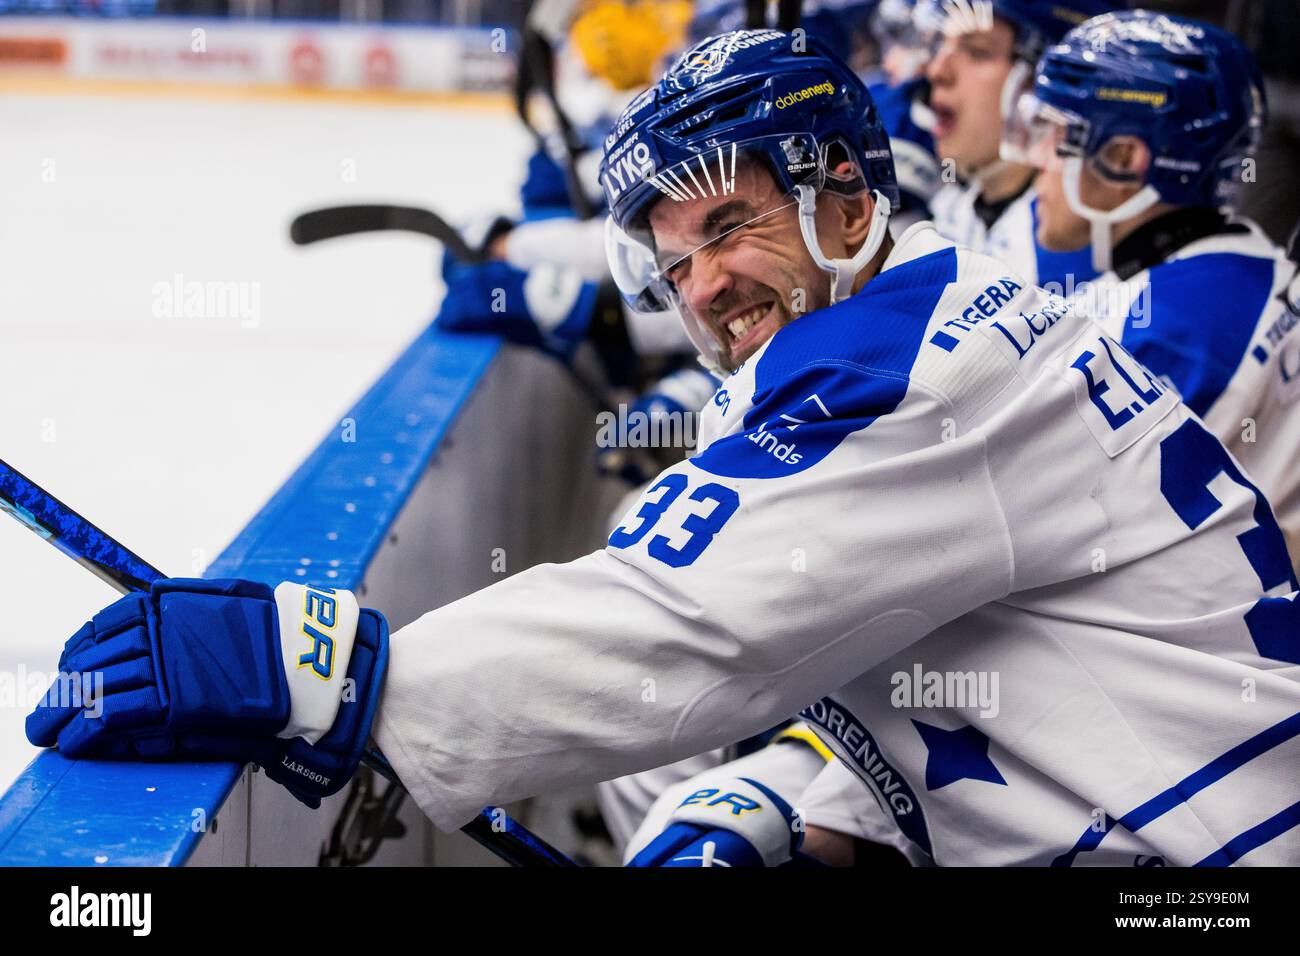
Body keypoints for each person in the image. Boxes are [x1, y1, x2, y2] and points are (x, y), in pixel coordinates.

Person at [27, 29, 1300, 867]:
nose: (704, 286)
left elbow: (686, 617)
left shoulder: (916, 365)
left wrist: (328, 672)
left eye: (732, 225)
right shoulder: (916, 316)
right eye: (673, 256)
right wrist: (806, 813)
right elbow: (995, 673)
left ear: (849, 197)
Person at [1020, 8, 1300, 572]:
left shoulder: (1165, 329)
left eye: (1055, 136)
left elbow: (1046, 533)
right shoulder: (1241, 262)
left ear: (1124, 158)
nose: (1034, 160)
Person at [925, 0, 1115, 290]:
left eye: (978, 52)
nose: (937, 70)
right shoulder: (948, 212)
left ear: (1043, 84)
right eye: (940, 45)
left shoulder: (1081, 247)